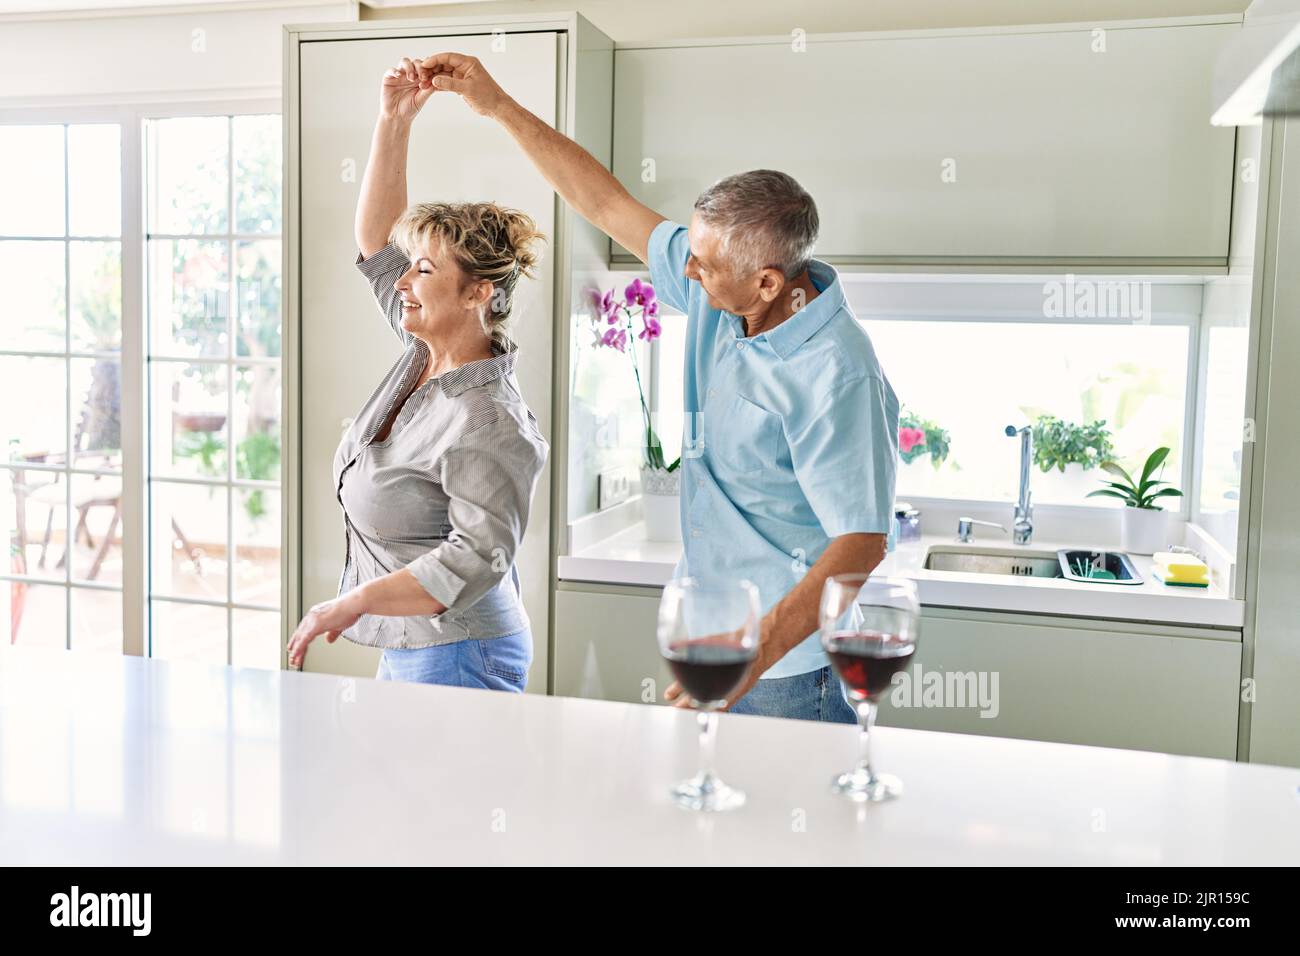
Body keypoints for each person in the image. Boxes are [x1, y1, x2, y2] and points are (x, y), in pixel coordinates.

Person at [422, 53, 899, 722]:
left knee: (787, 826)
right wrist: (497, 104)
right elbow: (606, 202)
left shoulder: (837, 372)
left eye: (702, 267)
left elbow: (862, 543)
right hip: (711, 632)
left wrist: (756, 653)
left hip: (788, 666)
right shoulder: (724, 287)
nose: (687, 274)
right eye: (692, 256)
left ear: (768, 282)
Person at [287, 56, 548, 692]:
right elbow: (377, 245)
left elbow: (473, 559)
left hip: (461, 652)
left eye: (425, 270)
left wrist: (348, 602)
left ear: (477, 294)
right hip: (419, 644)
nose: (403, 280)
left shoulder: (489, 419)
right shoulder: (421, 353)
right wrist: (394, 119)